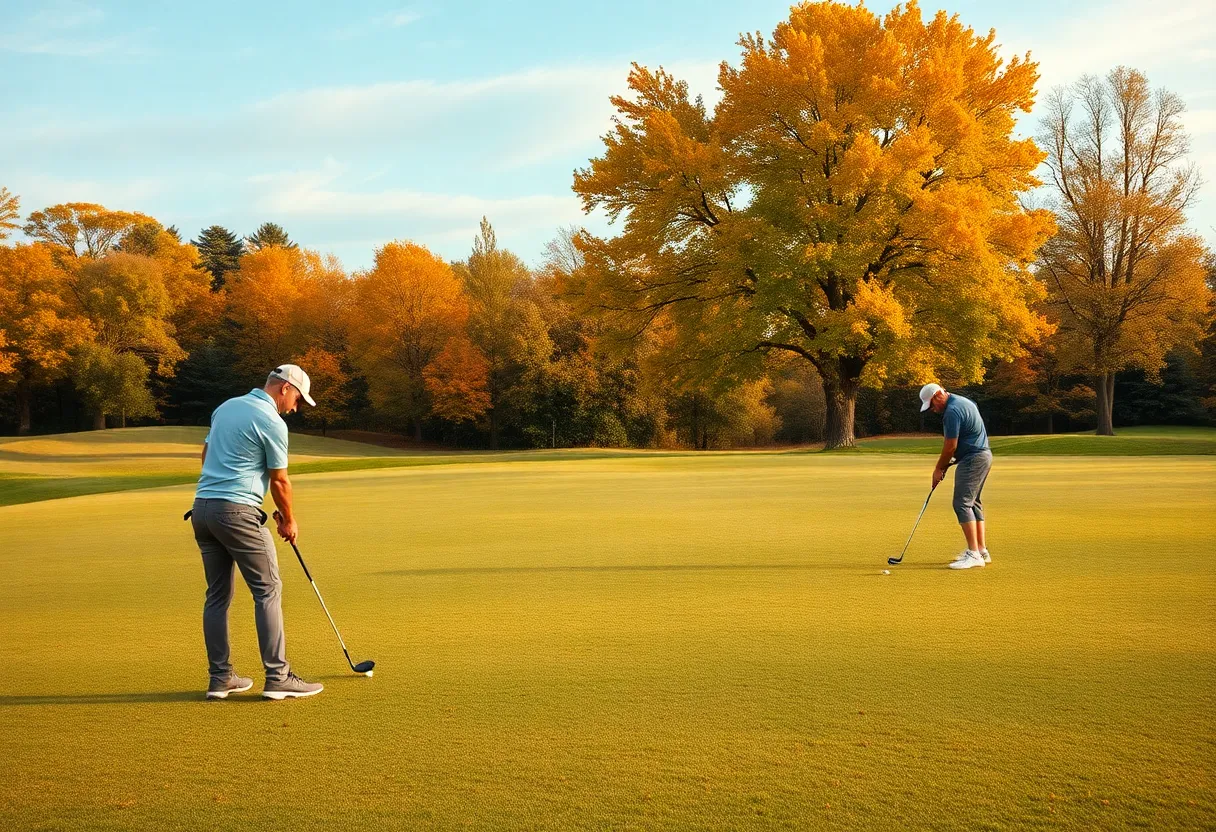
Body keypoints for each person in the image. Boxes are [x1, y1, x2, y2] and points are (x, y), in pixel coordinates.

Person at [190, 364, 325, 700]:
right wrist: (289, 519)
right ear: (284, 388)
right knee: (268, 589)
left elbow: (207, 454)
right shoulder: (271, 421)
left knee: (218, 596)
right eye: (296, 399)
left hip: (203, 509)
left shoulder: (226, 407)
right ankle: (278, 677)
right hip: (236, 513)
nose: (295, 407)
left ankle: (221, 678)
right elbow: (279, 480)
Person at [919, 383, 993, 570]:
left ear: (937, 396)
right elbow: (965, 440)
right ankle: (981, 550)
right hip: (983, 455)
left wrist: (938, 468)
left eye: (932, 406)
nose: (934, 410)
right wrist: (947, 465)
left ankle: (974, 554)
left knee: (962, 503)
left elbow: (951, 446)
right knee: (973, 502)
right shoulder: (963, 401)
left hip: (973, 459)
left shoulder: (952, 411)